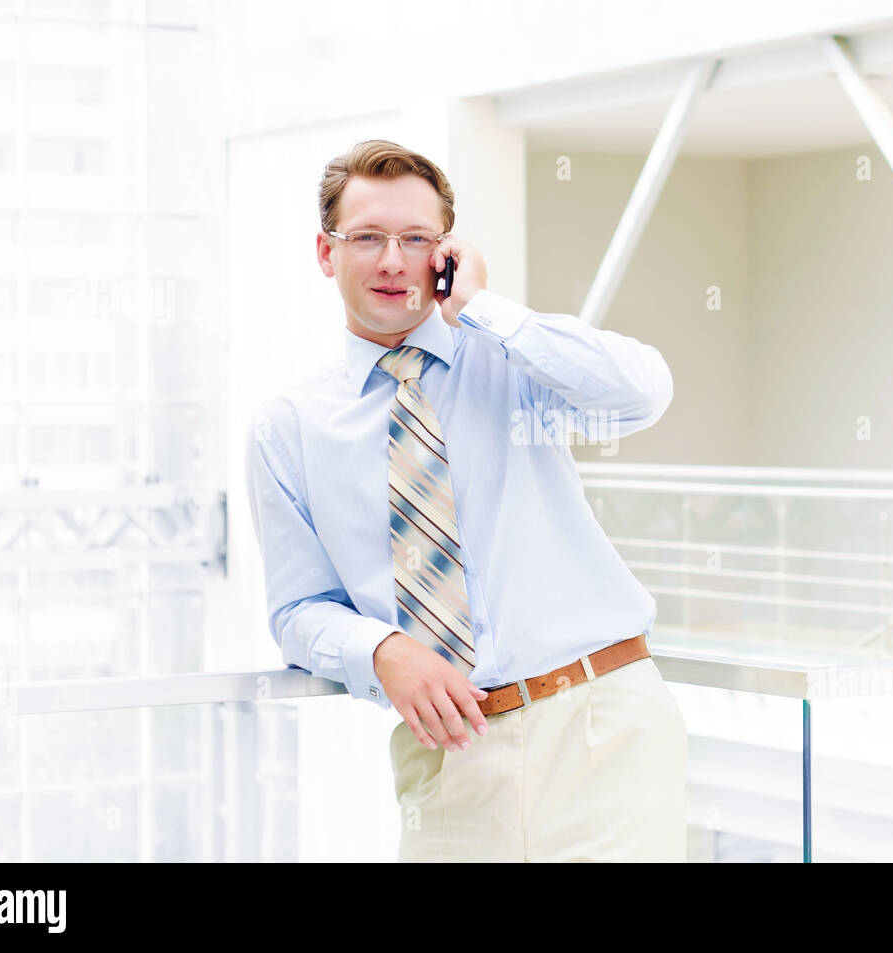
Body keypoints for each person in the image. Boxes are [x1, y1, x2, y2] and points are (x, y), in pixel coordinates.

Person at [245, 138, 686, 862]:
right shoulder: (289, 428)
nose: (393, 261)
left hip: (603, 729)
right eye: (368, 238)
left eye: (416, 239)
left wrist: (482, 307)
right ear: (327, 253)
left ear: (444, 252)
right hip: (452, 754)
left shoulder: (511, 362)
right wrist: (381, 648)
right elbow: (297, 610)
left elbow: (643, 393)